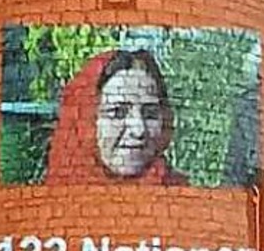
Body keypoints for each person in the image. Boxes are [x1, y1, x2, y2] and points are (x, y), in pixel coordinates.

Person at [45, 49, 188, 185]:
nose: (138, 130)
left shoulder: (181, 196)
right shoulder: (56, 201)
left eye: (150, 114)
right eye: (118, 113)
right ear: (84, 122)